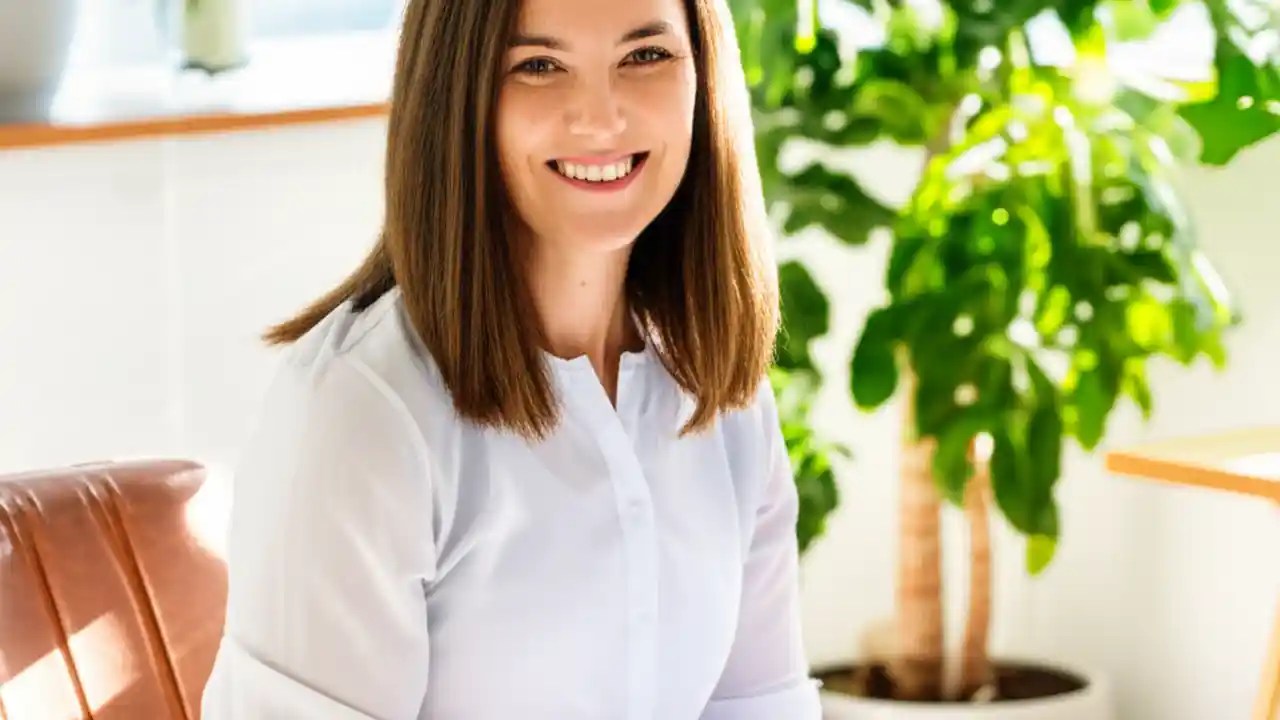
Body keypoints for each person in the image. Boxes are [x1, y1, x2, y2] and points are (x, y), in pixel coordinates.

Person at [198, 0, 821, 716]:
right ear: (456, 96)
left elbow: (757, 705)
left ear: (705, 76)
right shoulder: (362, 411)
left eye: (644, 56)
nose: (602, 117)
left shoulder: (716, 387)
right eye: (538, 66)